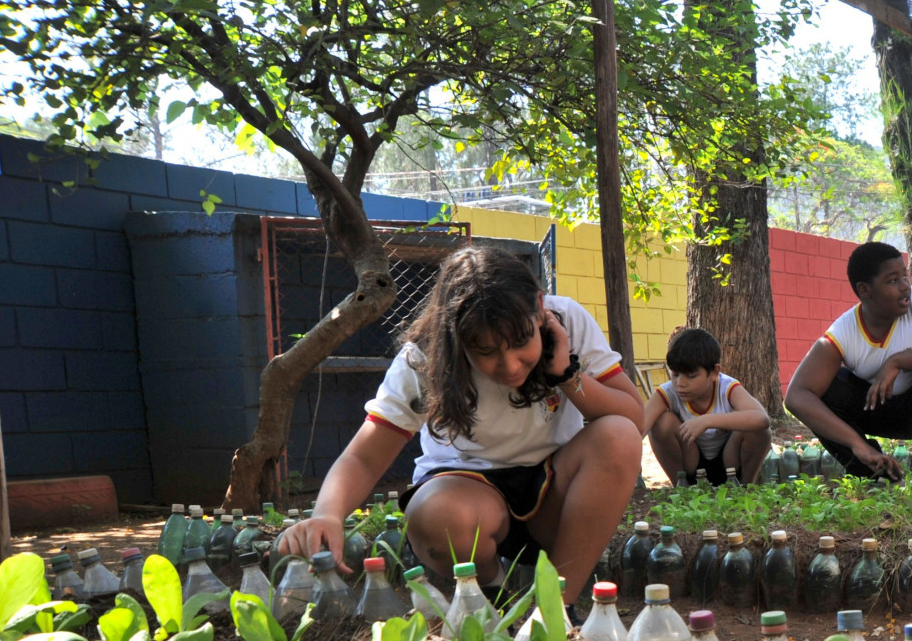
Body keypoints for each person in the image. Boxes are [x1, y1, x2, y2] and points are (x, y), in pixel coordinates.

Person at [276, 245, 644, 605]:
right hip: (465, 491)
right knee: (438, 517)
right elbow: (364, 457)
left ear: (539, 307)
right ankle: (490, 596)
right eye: (486, 351)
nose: (511, 365)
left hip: (555, 489)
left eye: (521, 341)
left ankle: (556, 609)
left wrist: (566, 375)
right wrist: (327, 514)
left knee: (619, 436)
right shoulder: (424, 357)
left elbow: (634, 418)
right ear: (455, 336)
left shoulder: (568, 320)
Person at [785, 241, 912, 479]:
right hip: (879, 410)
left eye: (905, 276)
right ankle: (874, 470)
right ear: (865, 290)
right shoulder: (844, 332)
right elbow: (796, 396)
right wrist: (857, 444)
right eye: (893, 280)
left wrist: (898, 361)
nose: (905, 286)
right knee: (827, 386)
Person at [643, 325, 772, 484]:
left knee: (758, 430)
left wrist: (707, 421)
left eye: (691, 376)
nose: (680, 383)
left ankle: (747, 486)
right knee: (661, 422)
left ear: (714, 372)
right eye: (675, 374)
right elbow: (640, 427)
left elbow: (762, 419)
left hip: (729, 463)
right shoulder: (668, 392)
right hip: (692, 463)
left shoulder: (726, 387)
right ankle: (681, 487)